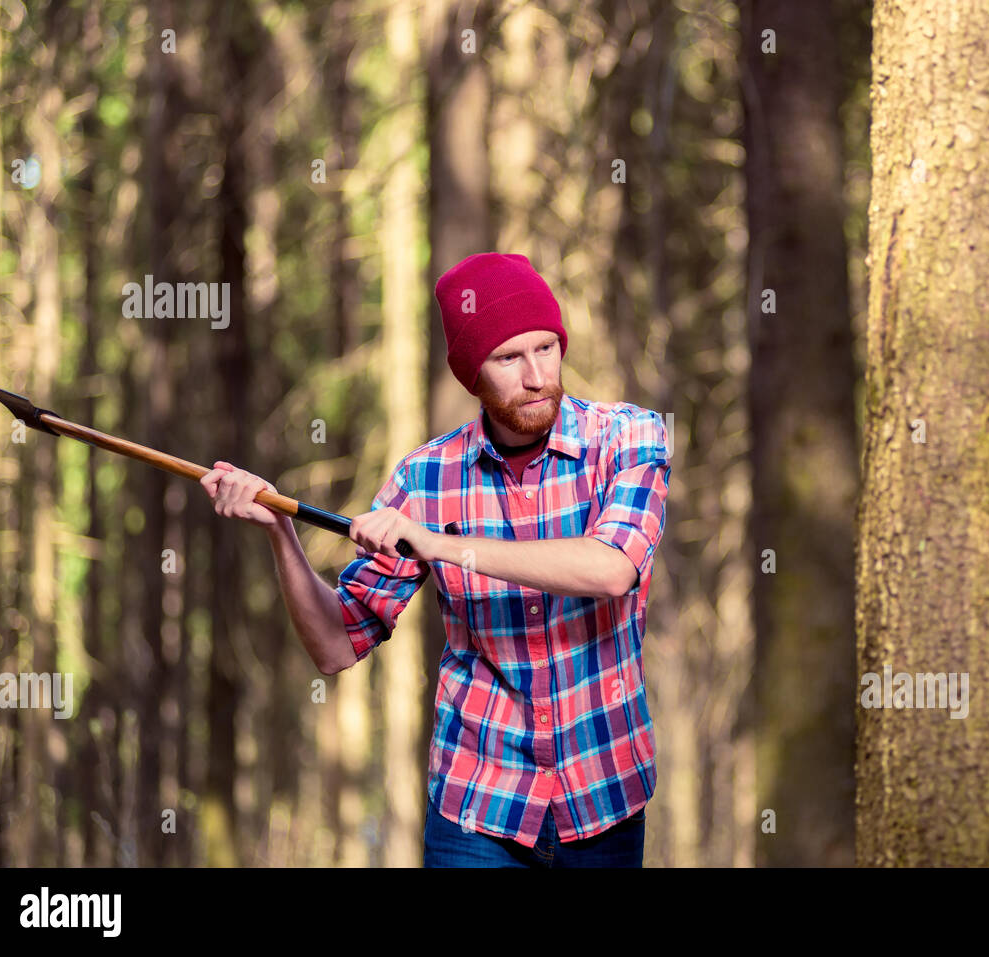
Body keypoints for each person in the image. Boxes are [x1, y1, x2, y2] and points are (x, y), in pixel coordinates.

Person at [199, 252, 670, 868]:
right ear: (471, 374)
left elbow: (611, 569)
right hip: (476, 805)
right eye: (508, 358)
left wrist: (439, 544)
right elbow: (336, 644)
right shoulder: (425, 478)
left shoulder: (630, 437)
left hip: (604, 792)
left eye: (547, 349)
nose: (536, 376)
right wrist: (280, 532)